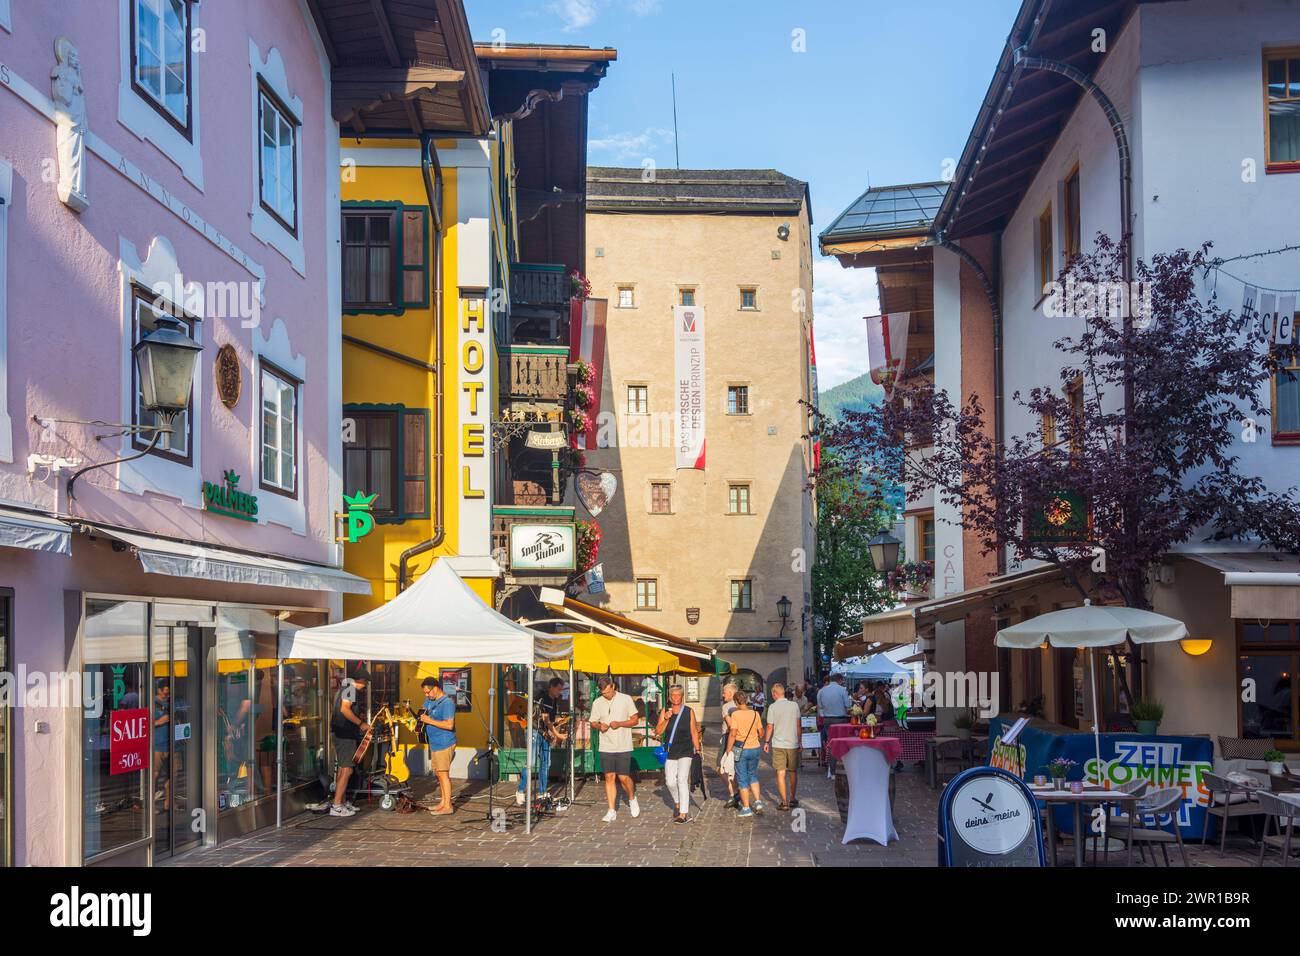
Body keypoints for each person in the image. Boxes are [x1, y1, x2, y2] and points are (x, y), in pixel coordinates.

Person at [590, 676, 640, 822]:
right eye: (603, 693)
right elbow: (593, 722)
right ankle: (611, 810)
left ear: (613, 686)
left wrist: (619, 724)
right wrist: (600, 726)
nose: (606, 695)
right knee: (609, 777)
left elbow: (635, 719)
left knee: (623, 777)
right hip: (606, 745)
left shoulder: (626, 699)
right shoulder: (597, 702)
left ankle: (632, 798)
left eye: (608, 692)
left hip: (623, 744)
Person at [328, 668, 371, 817]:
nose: (365, 686)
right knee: (347, 770)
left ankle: (342, 801)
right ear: (360, 680)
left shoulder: (346, 687)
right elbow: (345, 710)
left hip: (343, 733)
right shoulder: (350, 688)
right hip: (343, 734)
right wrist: (361, 724)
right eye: (365, 683)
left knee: (343, 768)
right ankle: (337, 806)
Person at [517, 677, 567, 806]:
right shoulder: (542, 697)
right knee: (532, 761)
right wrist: (557, 735)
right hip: (534, 731)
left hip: (543, 733)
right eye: (559, 689)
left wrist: (558, 723)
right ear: (551, 687)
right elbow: (545, 719)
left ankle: (543, 792)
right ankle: (520, 790)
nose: (560, 692)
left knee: (546, 762)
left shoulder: (554, 700)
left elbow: (550, 721)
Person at [655, 684, 700, 823]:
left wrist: (697, 749)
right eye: (673, 695)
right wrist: (667, 718)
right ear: (670, 697)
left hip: (686, 750)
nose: (675, 697)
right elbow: (658, 731)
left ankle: (683, 813)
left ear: (682, 696)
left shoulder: (688, 711)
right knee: (670, 781)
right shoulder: (665, 711)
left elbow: (693, 731)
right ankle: (677, 802)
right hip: (670, 751)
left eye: (678, 695)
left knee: (682, 779)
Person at [418, 676, 456, 814]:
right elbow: (423, 713)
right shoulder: (429, 700)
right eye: (425, 693)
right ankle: (443, 802)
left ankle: (448, 806)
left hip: (444, 742)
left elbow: (449, 724)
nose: (427, 695)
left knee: (444, 774)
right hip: (434, 742)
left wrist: (429, 720)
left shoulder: (447, 703)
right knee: (439, 774)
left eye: (428, 692)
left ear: (436, 687)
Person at [725, 690, 765, 817]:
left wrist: (728, 749)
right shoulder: (755, 714)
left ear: (736, 702)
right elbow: (761, 733)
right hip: (755, 748)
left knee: (742, 778)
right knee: (753, 775)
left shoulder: (735, 715)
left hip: (740, 748)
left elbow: (733, 733)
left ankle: (746, 808)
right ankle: (758, 802)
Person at [763, 682, 801, 810]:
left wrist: (766, 742)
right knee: (793, 771)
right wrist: (800, 741)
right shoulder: (794, 705)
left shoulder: (773, 707)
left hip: (778, 744)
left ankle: (784, 802)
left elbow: (769, 726)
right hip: (793, 743)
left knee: (780, 772)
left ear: (775, 694)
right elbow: (798, 726)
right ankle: (792, 798)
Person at [816, 673, 853, 779]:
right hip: (841, 719)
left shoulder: (821, 691)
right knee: (843, 743)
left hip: (827, 720)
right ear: (839, 680)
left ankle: (832, 772)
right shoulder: (842, 690)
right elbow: (848, 706)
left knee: (832, 744)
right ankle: (844, 769)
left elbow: (820, 707)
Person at [719, 682, 740, 808]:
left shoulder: (726, 706)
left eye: (724, 692)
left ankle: (734, 793)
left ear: (731, 693)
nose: (723, 695)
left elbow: (731, 725)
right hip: (741, 739)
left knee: (721, 768)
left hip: (728, 737)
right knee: (736, 767)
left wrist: (727, 746)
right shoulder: (741, 705)